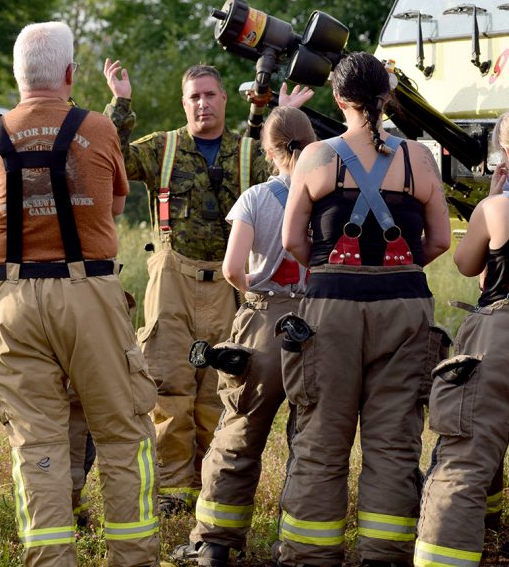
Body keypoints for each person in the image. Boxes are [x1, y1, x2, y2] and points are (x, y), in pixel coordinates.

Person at [0, 22, 160, 567]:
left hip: (13, 298)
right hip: (88, 291)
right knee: (123, 432)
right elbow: (115, 206)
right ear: (68, 74)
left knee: (36, 445)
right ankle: (133, 559)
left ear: (17, 75)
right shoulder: (99, 128)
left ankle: (50, 559)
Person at [103, 58, 310, 515]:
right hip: (172, 279)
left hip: (229, 282)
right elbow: (107, 152)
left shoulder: (245, 152)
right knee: (168, 386)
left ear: (222, 99)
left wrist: (284, 114)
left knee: (221, 389)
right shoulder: (164, 148)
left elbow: (292, 166)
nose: (202, 104)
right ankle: (175, 493)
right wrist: (121, 102)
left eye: (210, 95)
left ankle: (212, 487)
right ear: (184, 103)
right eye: (193, 96)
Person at [277, 51, 451, 567]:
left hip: (331, 310)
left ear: (338, 99)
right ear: (387, 97)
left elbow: (292, 241)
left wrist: (334, 269)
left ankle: (310, 555)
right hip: (404, 309)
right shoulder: (419, 159)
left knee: (321, 438)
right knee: (395, 441)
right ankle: (384, 554)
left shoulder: (314, 157)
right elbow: (439, 240)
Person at [175, 106, 316, 567]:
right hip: (318, 323)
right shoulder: (330, 194)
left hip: (264, 323)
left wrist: (257, 293)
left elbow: (234, 269)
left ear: (269, 151)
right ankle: (300, 548)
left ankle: (214, 543)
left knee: (238, 433)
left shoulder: (256, 197)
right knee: (312, 441)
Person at [415, 111, 509, 567]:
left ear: (503, 153)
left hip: (500, 332)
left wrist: (489, 202)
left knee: (468, 453)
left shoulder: (497, 210)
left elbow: (467, 265)